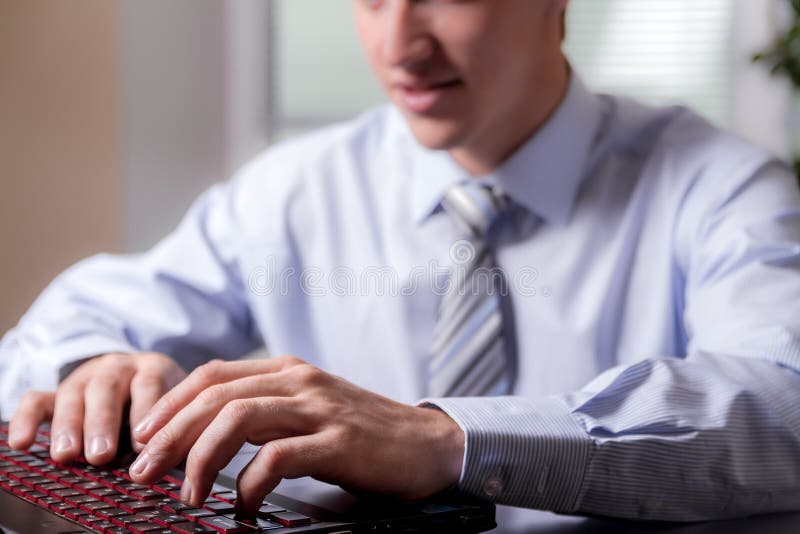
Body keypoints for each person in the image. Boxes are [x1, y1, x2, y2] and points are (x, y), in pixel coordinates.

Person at [2, 0, 800, 527]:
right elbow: (51, 335)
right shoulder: (292, 187)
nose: (399, 47)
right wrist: (93, 368)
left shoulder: (722, 185)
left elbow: (786, 400)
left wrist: (452, 443)